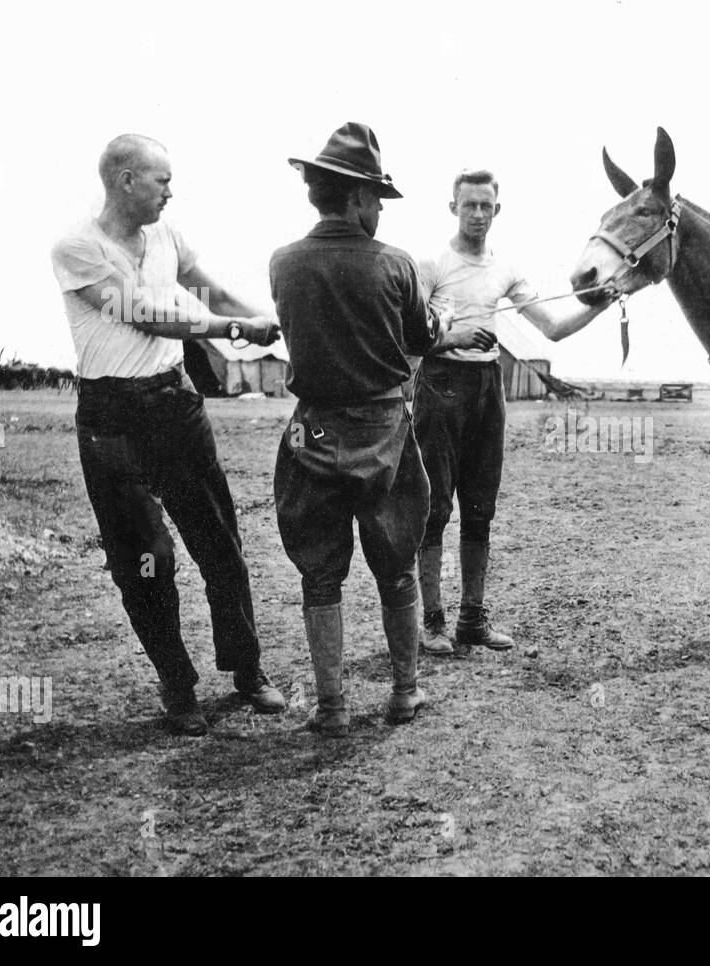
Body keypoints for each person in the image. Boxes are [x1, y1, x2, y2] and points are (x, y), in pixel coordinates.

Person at [50, 134, 286, 737]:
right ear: (127, 180)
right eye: (162, 180)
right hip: (112, 420)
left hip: (175, 404)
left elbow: (206, 290)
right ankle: (178, 687)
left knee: (220, 543)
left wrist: (271, 320)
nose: (170, 191)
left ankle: (247, 671)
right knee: (147, 559)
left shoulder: (168, 238)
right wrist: (234, 325)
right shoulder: (77, 248)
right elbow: (144, 312)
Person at [270, 123, 493, 735]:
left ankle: (332, 708)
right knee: (395, 569)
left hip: (312, 435)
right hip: (384, 436)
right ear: (358, 196)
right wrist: (441, 318)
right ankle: (404, 693)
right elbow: (423, 339)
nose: (378, 210)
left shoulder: (282, 263)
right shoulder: (396, 264)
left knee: (321, 576)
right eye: (376, 199)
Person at [414, 169, 613, 656]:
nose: (477, 215)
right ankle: (433, 621)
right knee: (435, 509)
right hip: (440, 388)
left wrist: (600, 306)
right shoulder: (431, 265)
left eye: (486, 206)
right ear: (453, 207)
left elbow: (553, 328)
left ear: (496, 210)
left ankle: (472, 621)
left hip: (487, 389)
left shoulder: (506, 270)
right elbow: (408, 333)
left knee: (480, 509)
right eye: (469, 205)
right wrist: (453, 336)